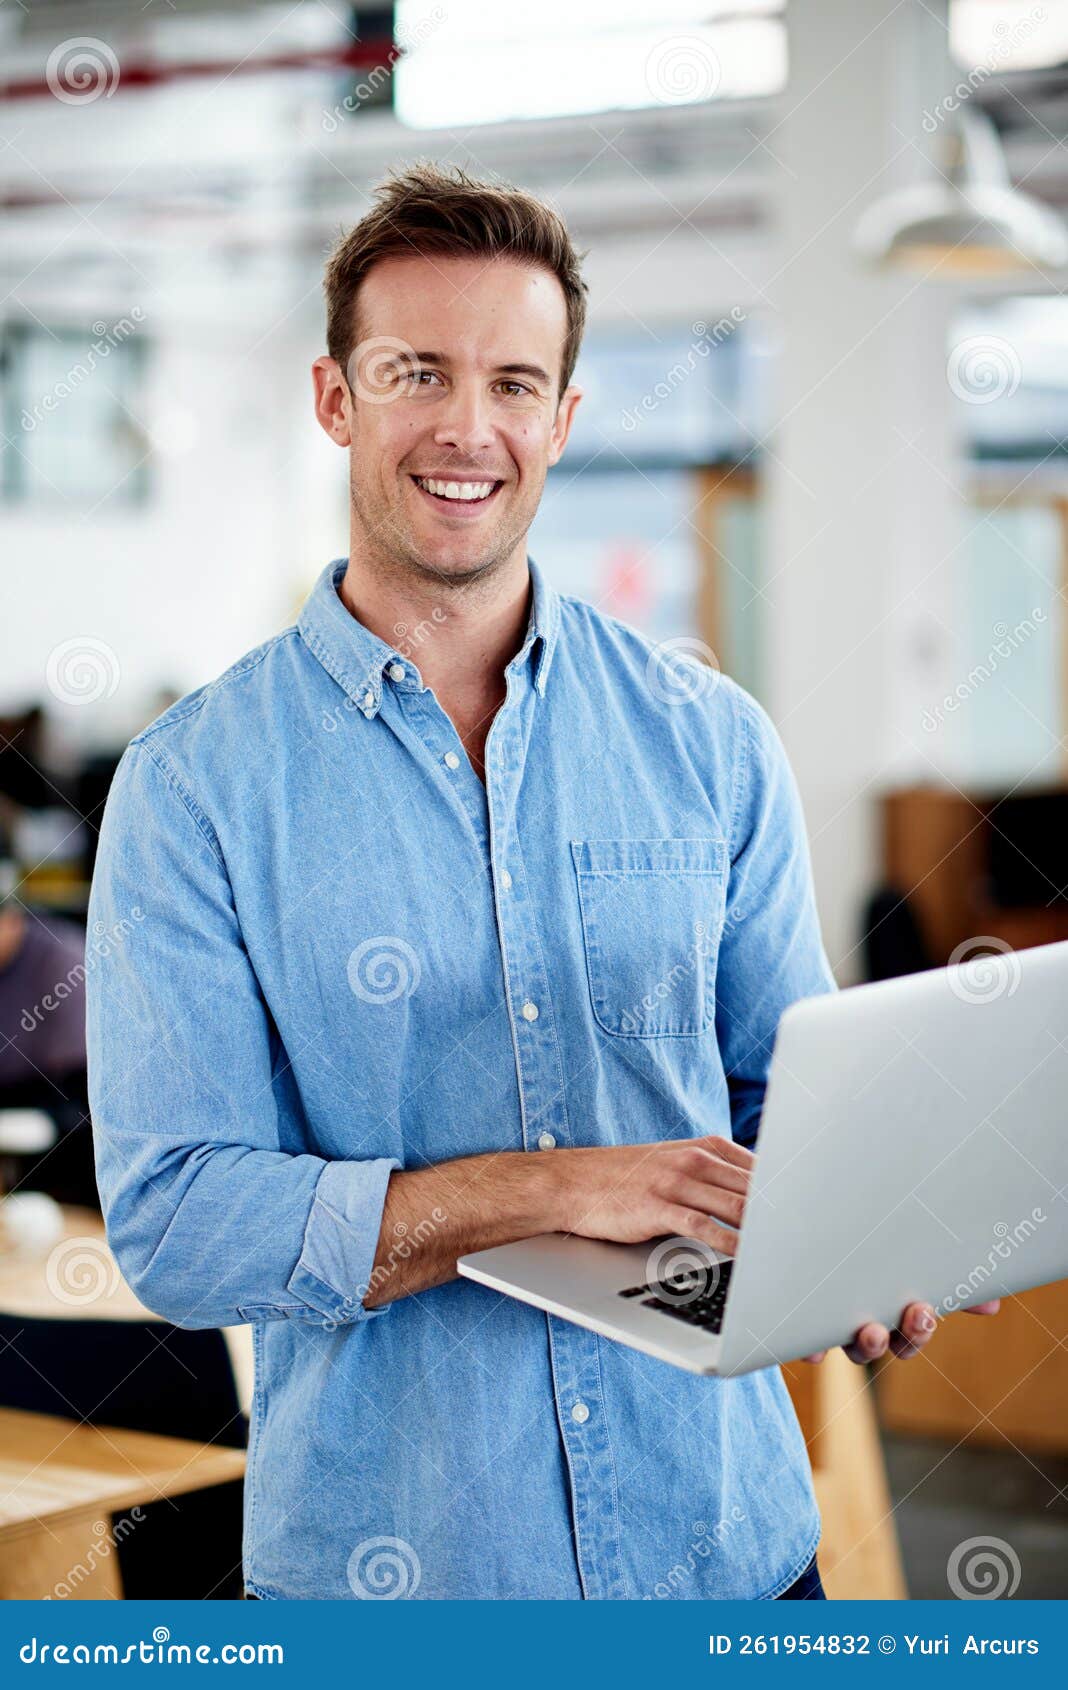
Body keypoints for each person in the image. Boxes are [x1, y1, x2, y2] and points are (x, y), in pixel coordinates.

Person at [87, 163, 997, 1603]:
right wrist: (549, 1189)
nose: (468, 427)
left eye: (515, 382)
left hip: (728, 1560)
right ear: (336, 399)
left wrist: (881, 1233)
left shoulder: (711, 740)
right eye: (417, 373)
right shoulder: (194, 785)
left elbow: (788, 1108)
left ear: (564, 421)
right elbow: (179, 1223)